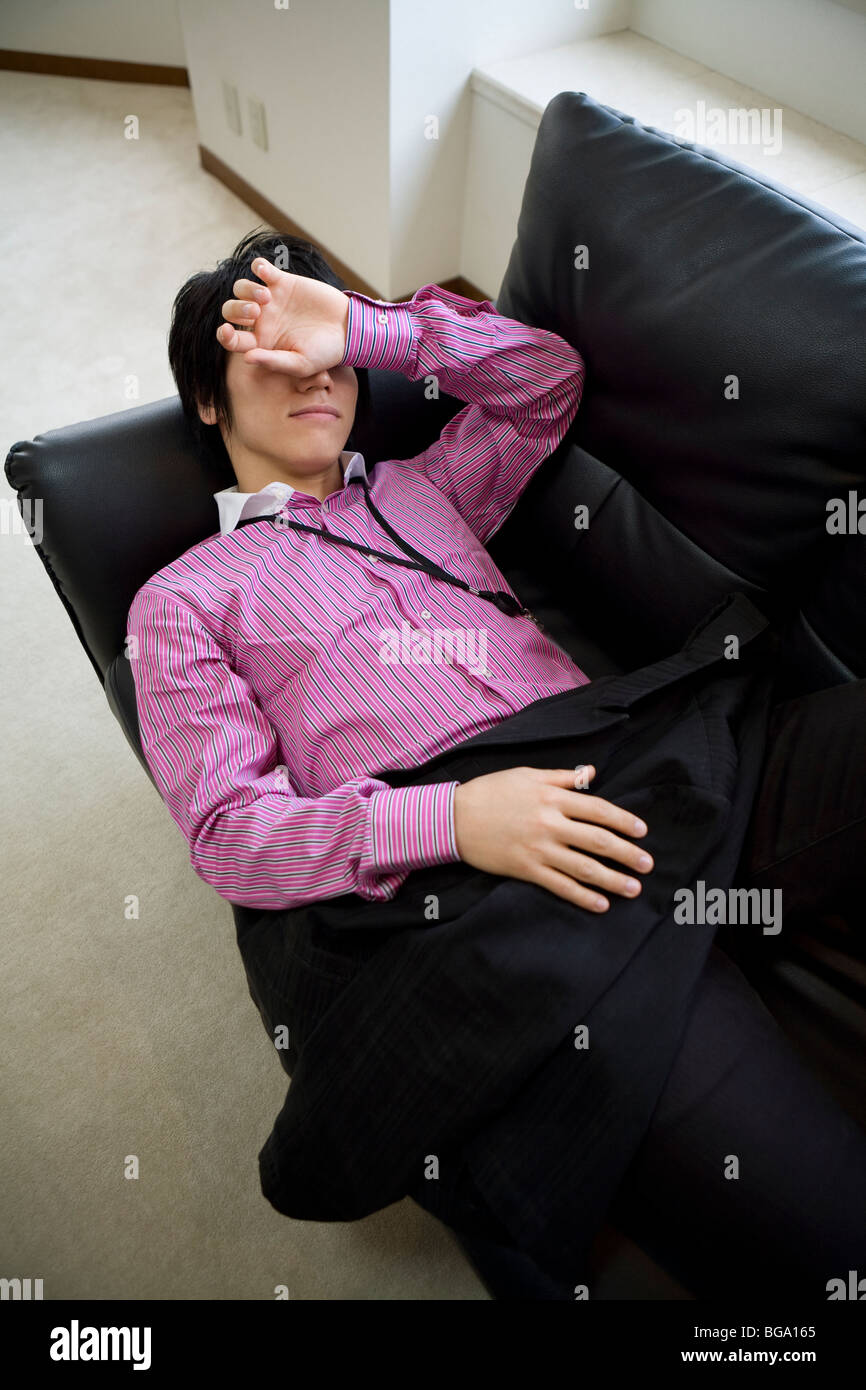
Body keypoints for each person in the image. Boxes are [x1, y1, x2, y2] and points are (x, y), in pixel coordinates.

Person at [127, 227, 866, 1300]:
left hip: (646, 760)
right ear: (207, 399)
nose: (312, 371)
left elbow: (541, 380)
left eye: (319, 346)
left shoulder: (431, 485)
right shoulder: (185, 598)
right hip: (493, 891)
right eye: (268, 351)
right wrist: (456, 819)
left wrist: (364, 324)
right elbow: (232, 834)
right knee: (828, 1228)